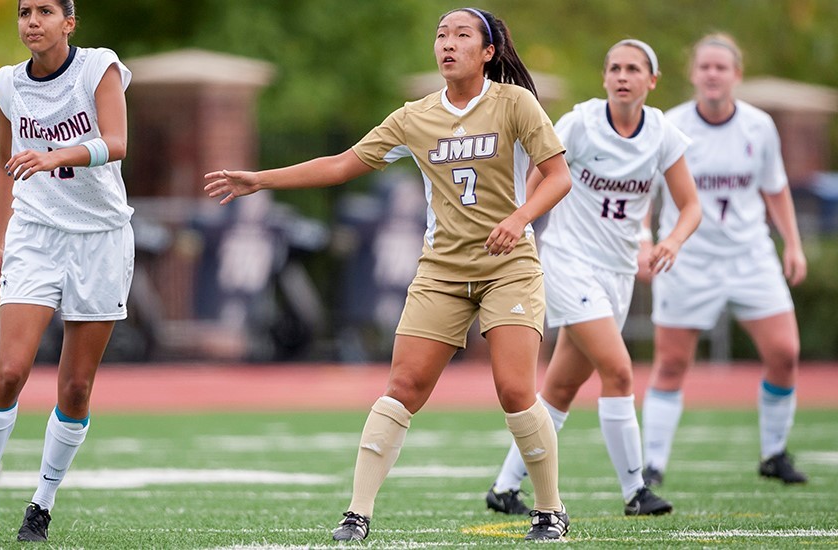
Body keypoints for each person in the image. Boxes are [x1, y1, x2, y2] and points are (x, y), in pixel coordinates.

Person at [206, 7, 573, 542]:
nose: (448, 44)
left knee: (515, 389)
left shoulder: (515, 103)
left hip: (509, 268)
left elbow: (558, 177)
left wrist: (518, 220)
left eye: (462, 35)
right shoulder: (414, 116)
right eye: (441, 35)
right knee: (402, 387)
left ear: (488, 51)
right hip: (442, 272)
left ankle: (549, 510)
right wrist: (261, 180)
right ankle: (357, 514)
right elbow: (342, 163)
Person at [483, 39, 702, 517]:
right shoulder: (581, 123)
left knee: (560, 389)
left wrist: (671, 241)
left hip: (617, 273)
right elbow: (540, 179)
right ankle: (636, 491)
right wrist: (519, 222)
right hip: (569, 262)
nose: (623, 76)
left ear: (652, 81)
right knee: (619, 371)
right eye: (615, 68)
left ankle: (504, 488)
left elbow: (691, 206)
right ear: (604, 78)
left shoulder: (662, 132)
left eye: (633, 69)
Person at [0, 0, 134, 542]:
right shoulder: (7, 85)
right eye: (23, 12)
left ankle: (42, 503)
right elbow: (4, 169)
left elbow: (117, 143)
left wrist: (56, 155)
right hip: (35, 235)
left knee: (77, 386)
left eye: (44, 11)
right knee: (10, 370)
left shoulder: (98, 66)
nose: (32, 21)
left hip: (101, 237)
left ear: (69, 22)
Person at [641, 33, 808, 487]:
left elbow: (775, 188)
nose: (712, 74)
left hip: (750, 256)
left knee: (785, 354)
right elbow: (644, 190)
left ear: (737, 74)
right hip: (686, 259)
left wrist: (793, 244)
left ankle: (774, 453)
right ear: (693, 74)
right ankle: (652, 465)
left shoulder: (759, 126)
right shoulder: (669, 125)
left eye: (721, 67)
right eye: (705, 66)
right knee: (671, 363)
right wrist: (643, 242)